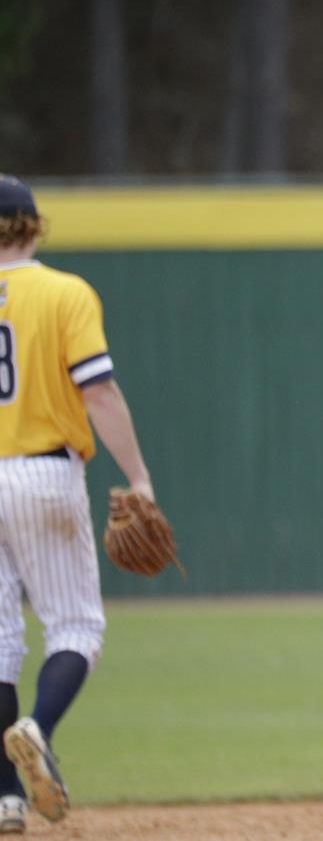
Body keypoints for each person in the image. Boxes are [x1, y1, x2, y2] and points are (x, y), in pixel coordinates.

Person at [0, 174, 160, 831]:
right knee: (75, 626)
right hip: (42, 472)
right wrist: (141, 479)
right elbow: (97, 391)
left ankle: (7, 796)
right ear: (35, 225)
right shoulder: (65, 292)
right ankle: (38, 725)